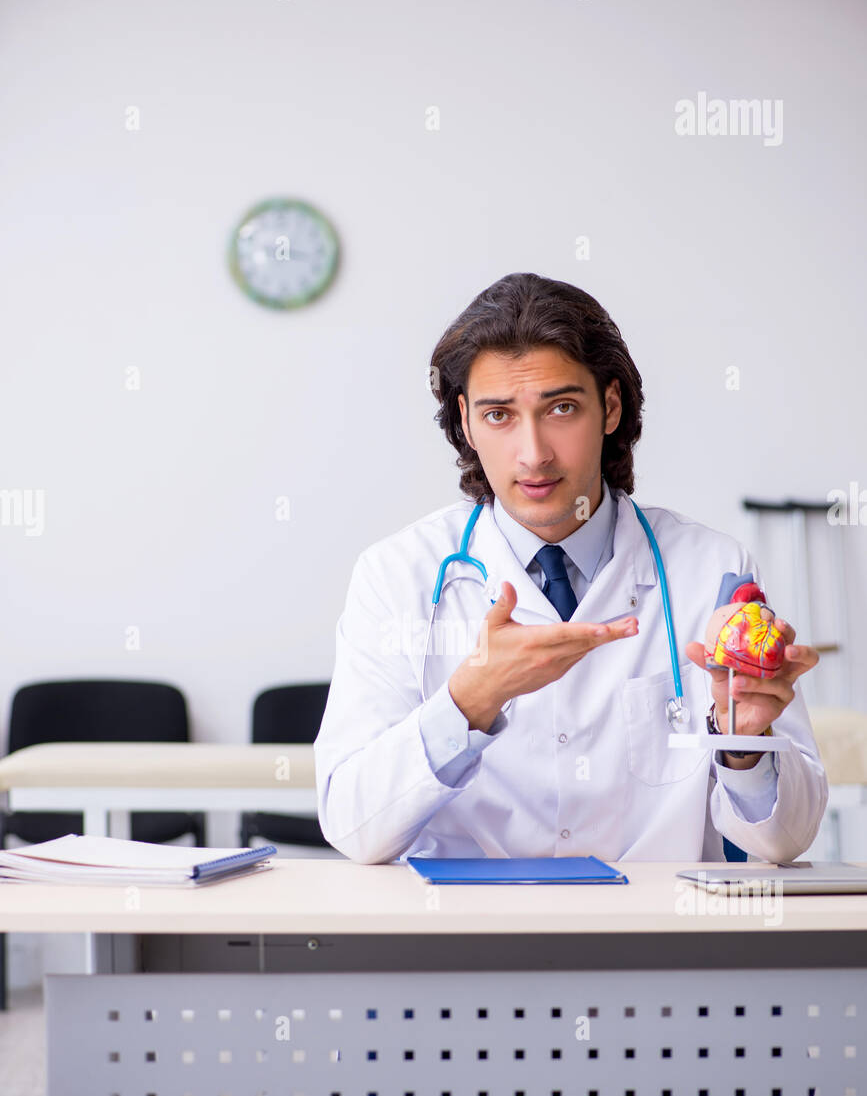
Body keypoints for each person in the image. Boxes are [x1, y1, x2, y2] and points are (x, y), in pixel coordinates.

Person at [314, 273, 827, 865]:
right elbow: (354, 827)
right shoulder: (396, 575)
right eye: (499, 414)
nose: (533, 454)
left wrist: (746, 742)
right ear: (467, 420)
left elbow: (786, 842)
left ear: (609, 407)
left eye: (561, 408)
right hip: (460, 942)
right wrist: (468, 702)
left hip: (652, 943)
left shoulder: (711, 569)